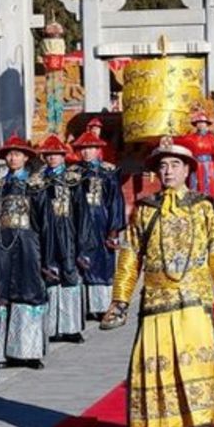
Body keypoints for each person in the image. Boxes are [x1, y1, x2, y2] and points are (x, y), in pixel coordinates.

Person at [100, 136, 214, 427]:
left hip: (194, 297)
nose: (168, 171)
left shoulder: (203, 207)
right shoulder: (144, 210)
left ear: (187, 170)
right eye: (162, 166)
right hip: (156, 300)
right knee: (160, 366)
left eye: (174, 165)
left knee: (198, 360)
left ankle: (202, 416)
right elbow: (129, 256)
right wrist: (120, 300)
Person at [0, 135, 51, 370]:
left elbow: (45, 222)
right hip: (4, 247)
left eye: (18, 154)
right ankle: (7, 353)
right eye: (9, 154)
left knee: (29, 294)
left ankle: (31, 352)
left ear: (26, 157)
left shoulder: (36, 186)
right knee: (6, 297)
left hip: (29, 245)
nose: (13, 158)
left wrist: (46, 254)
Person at [36, 134, 86, 343]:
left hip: (68, 231)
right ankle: (52, 327)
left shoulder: (73, 179)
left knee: (70, 276)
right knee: (50, 277)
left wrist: (82, 239)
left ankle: (71, 327)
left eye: (56, 155)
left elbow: (81, 211)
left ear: (63, 156)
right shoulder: (38, 181)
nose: (53, 158)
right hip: (46, 234)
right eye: (49, 155)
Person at [71, 131, 126, 320]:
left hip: (101, 223)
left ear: (98, 150)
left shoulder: (108, 172)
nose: (86, 152)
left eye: (90, 148)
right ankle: (84, 307)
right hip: (79, 224)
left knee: (102, 264)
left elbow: (115, 202)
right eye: (83, 149)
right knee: (81, 262)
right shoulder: (73, 174)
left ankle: (103, 305)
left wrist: (114, 229)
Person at [184, 111, 214, 199]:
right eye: (199, 123)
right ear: (196, 125)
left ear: (206, 125)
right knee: (195, 186)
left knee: (208, 188)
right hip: (195, 166)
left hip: (208, 166)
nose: (201, 125)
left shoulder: (212, 138)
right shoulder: (190, 138)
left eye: (203, 123)